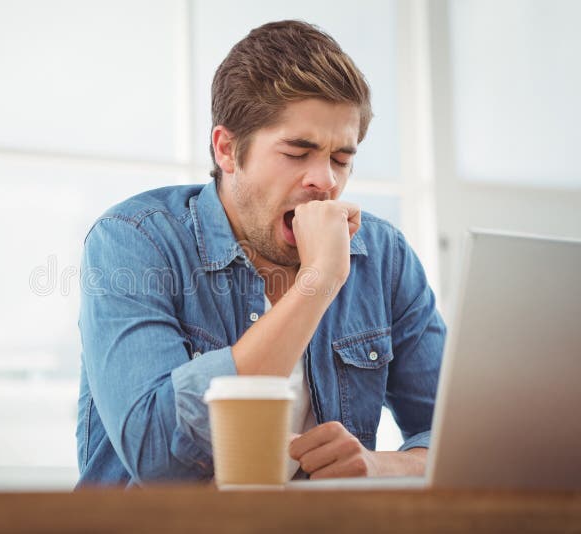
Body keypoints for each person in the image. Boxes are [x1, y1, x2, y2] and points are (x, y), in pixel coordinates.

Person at [75, 20, 445, 486]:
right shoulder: (133, 241)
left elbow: (461, 440)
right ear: (227, 150)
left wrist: (379, 466)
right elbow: (158, 458)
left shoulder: (384, 257)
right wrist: (318, 283)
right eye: (297, 153)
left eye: (341, 159)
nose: (326, 181)